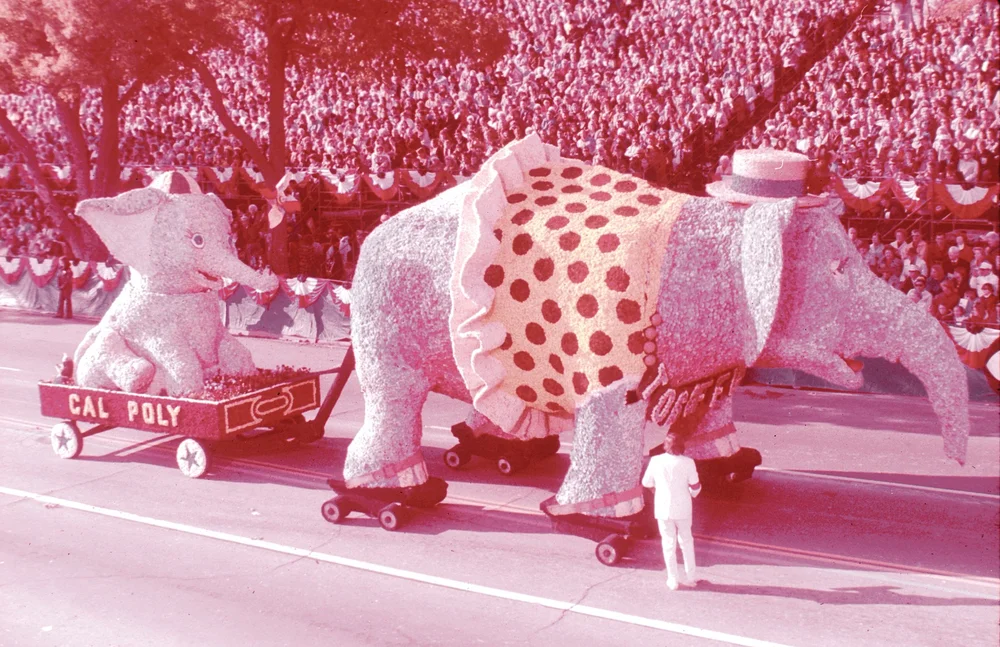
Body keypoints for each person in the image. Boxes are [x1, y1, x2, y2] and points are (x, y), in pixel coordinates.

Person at [642, 435, 702, 590]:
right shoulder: (688, 462)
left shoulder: (656, 461)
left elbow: (646, 482)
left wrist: (657, 491)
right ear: (682, 446)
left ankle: (673, 580)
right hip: (683, 507)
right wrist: (691, 492)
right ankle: (691, 577)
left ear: (665, 445)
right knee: (686, 542)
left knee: (668, 543)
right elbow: (695, 487)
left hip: (663, 508)